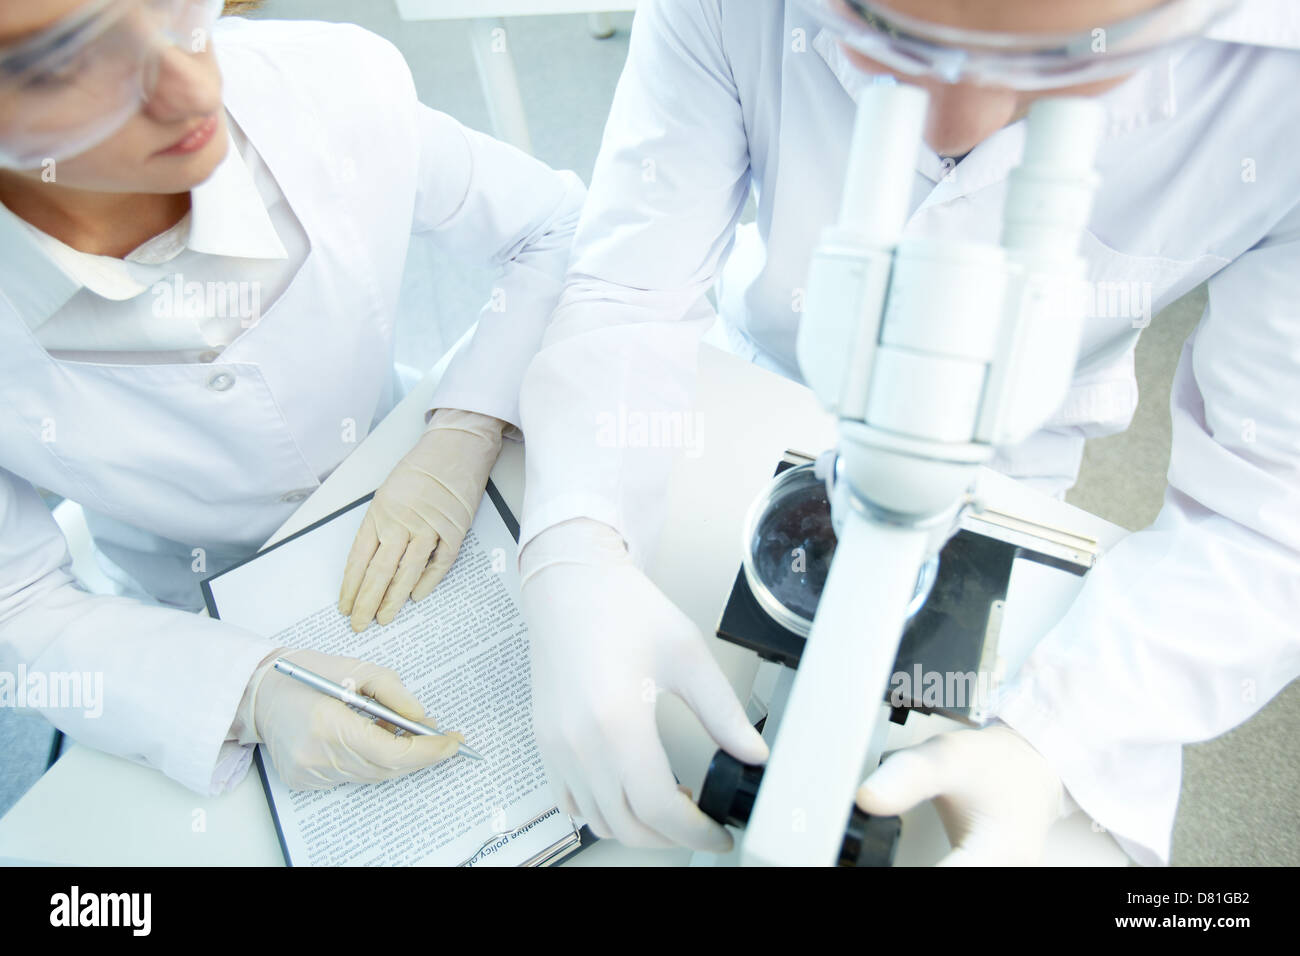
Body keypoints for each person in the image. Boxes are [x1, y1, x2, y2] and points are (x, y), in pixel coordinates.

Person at [517, 0, 1300, 864]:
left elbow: (1274, 509)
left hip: (1014, 468)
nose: (949, 121)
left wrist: (1055, 737)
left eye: (1058, 62)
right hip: (758, 393)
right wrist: (576, 541)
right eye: (882, 27)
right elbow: (632, 291)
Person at [0, 0, 584, 794]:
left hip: (423, 481)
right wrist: (249, 692)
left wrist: (467, 425)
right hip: (185, 621)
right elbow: (16, 605)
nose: (190, 88)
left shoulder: (326, 84)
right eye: (65, 62)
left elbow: (556, 228)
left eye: (167, 7)